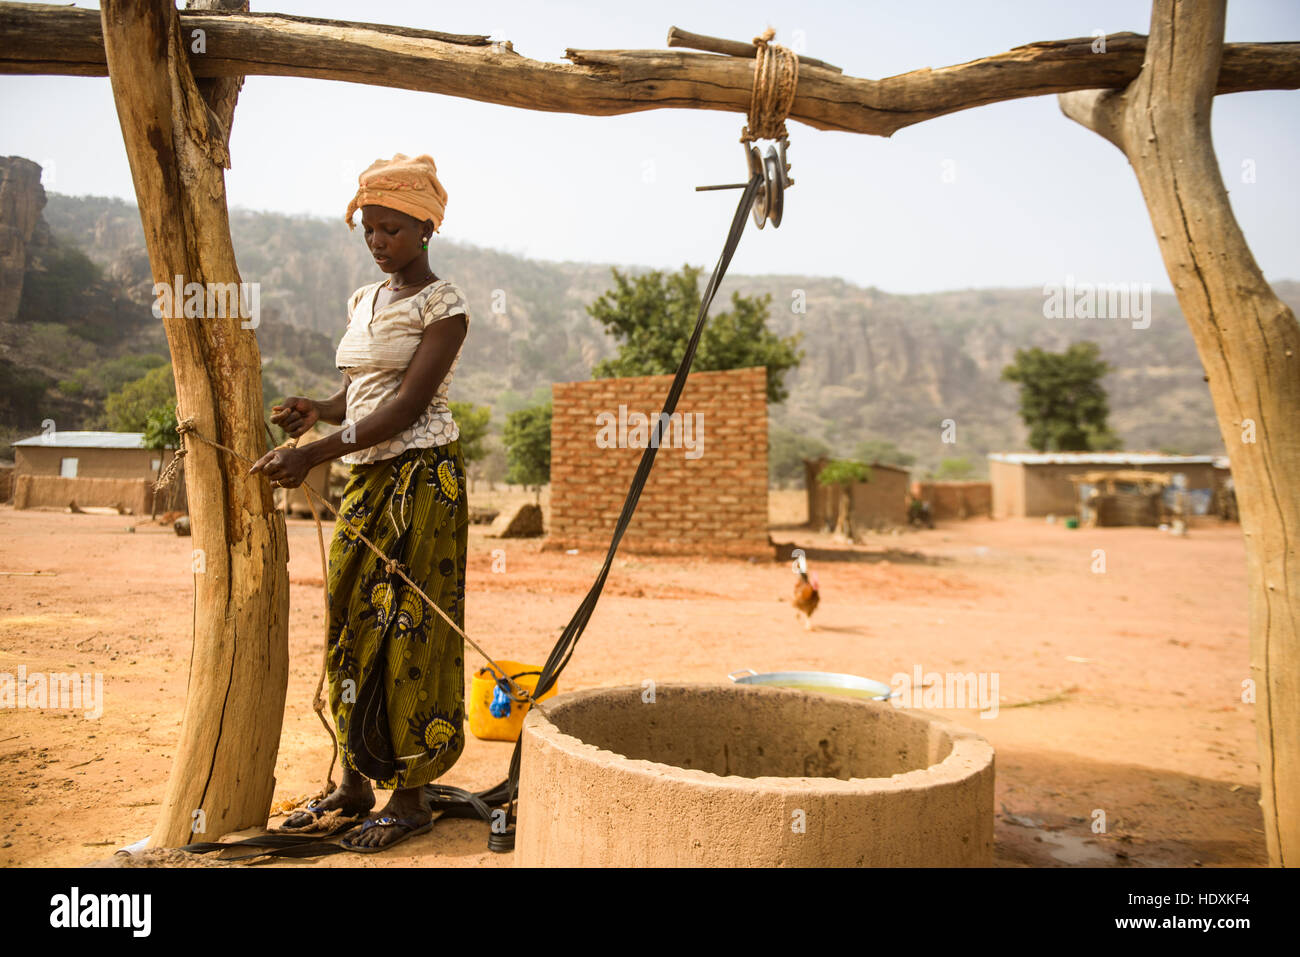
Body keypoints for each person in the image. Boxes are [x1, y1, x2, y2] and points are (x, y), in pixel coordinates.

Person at [249, 153, 470, 851]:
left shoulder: (446, 305)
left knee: (411, 626)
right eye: (369, 230)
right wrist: (315, 409)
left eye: (392, 230)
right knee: (349, 617)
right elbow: (362, 393)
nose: (378, 242)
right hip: (369, 475)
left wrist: (313, 453)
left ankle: (412, 795)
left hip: (422, 482)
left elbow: (406, 406)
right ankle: (354, 780)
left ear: (426, 228)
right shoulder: (363, 300)